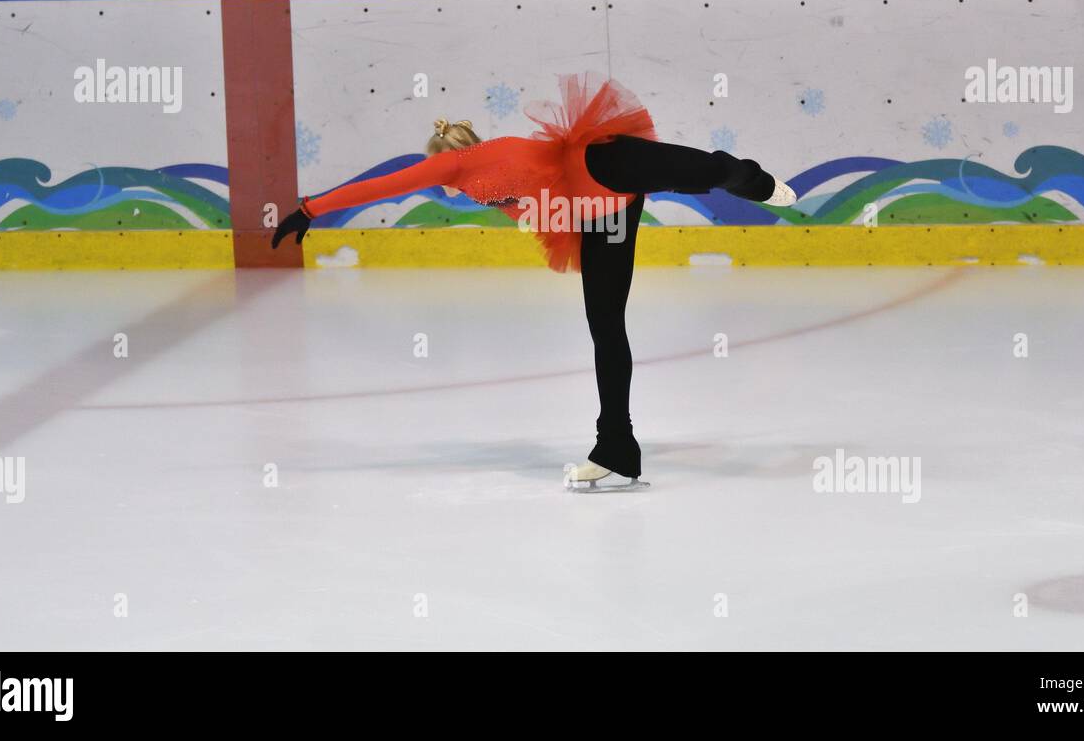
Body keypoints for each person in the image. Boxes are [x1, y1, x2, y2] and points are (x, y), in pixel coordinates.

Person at [272, 75, 796, 490]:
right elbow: (535, 197)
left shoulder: (454, 167)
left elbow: (384, 187)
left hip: (604, 164)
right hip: (601, 214)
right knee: (606, 324)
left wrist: (309, 209)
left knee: (706, 172)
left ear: (442, 154)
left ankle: (757, 181)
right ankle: (616, 450)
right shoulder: (489, 179)